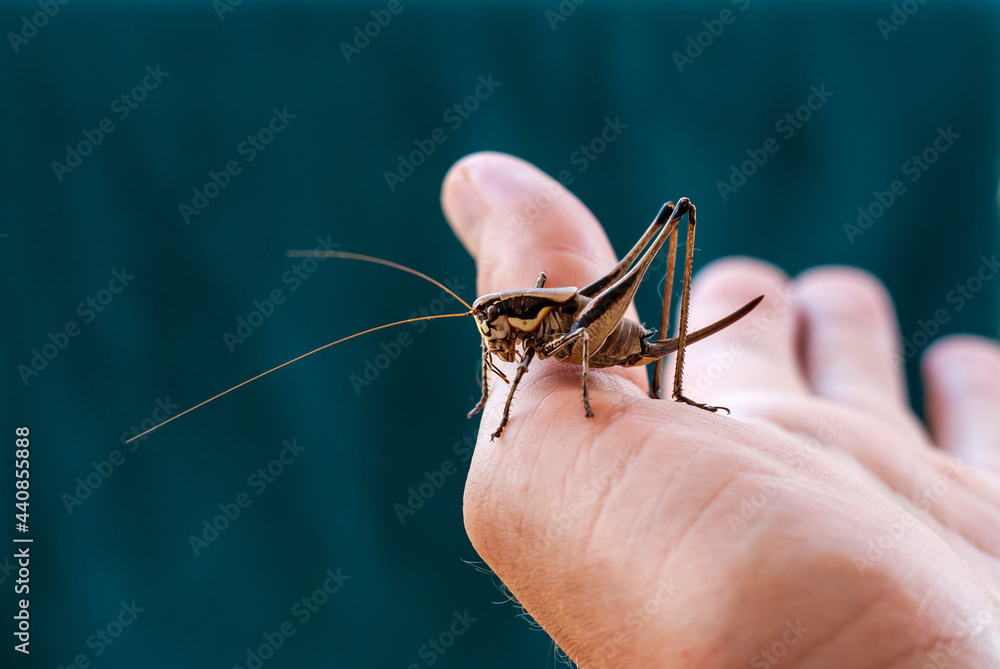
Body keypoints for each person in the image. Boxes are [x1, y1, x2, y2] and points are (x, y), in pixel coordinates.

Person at [441, 152, 1000, 667]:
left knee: (672, 218)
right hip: (579, 329)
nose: (490, 333)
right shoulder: (508, 327)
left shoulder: (544, 322)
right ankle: (674, 389)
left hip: (600, 329)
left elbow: (542, 354)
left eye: (492, 320)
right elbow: (504, 361)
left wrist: (555, 394)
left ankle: (677, 389)